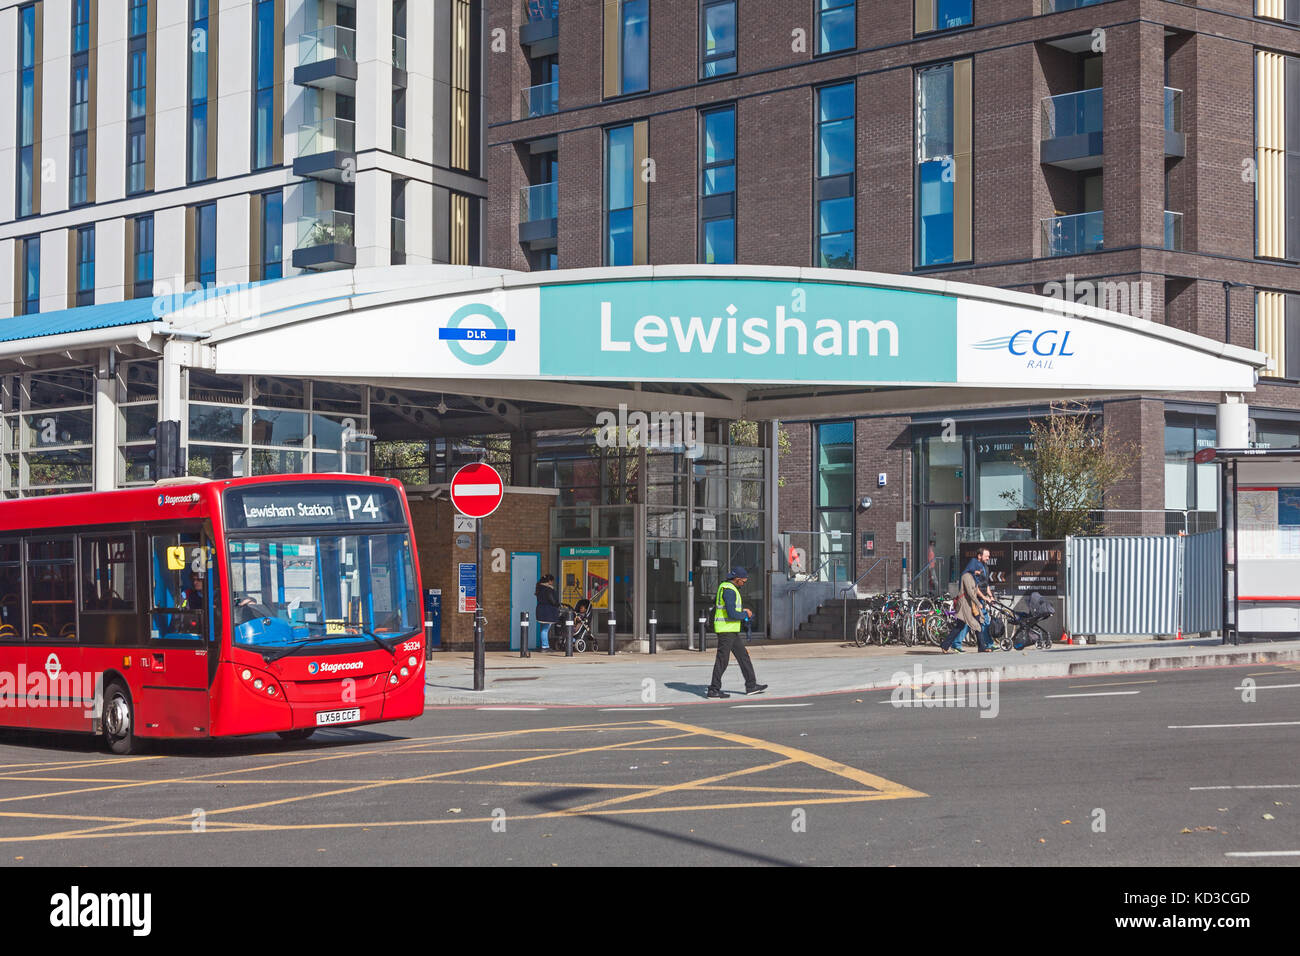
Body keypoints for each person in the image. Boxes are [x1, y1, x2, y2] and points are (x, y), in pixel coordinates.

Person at [706, 566, 767, 699]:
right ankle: (713, 689)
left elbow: (731, 609)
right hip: (726, 630)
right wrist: (745, 613)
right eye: (743, 581)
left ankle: (751, 686)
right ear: (737, 579)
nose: (744, 584)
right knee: (722, 660)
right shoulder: (729, 590)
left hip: (731, 630)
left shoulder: (728, 588)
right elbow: (732, 613)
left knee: (743, 656)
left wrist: (742, 610)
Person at [534, 574, 560, 651]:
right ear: (549, 581)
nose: (552, 583)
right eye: (552, 581)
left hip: (540, 609)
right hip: (547, 611)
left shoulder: (539, 588)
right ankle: (545, 646)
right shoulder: (548, 589)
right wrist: (557, 604)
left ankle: (544, 645)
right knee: (545, 629)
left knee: (543, 628)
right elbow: (552, 600)